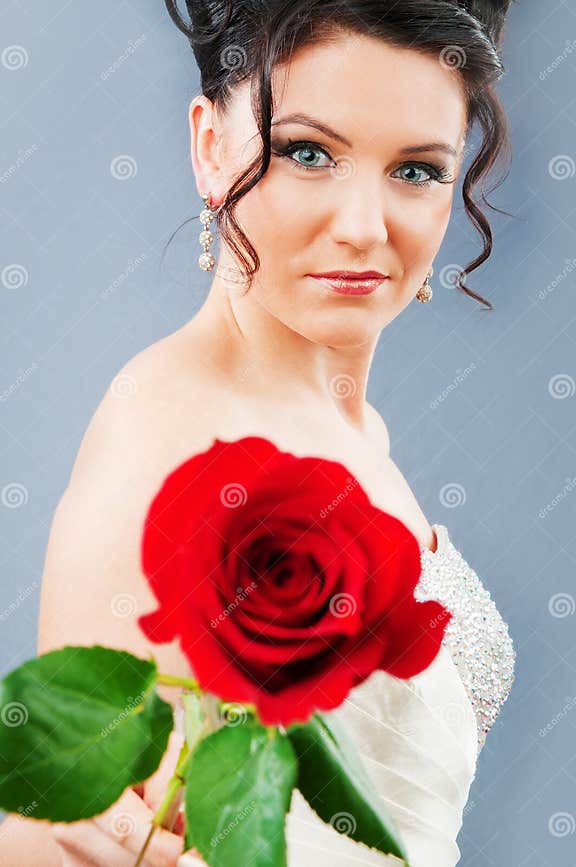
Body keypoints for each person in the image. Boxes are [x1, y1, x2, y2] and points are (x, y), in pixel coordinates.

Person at [0, 0, 517, 864]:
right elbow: (77, 827)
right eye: (307, 153)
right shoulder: (177, 432)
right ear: (210, 147)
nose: (363, 226)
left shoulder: (353, 423)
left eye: (418, 170)